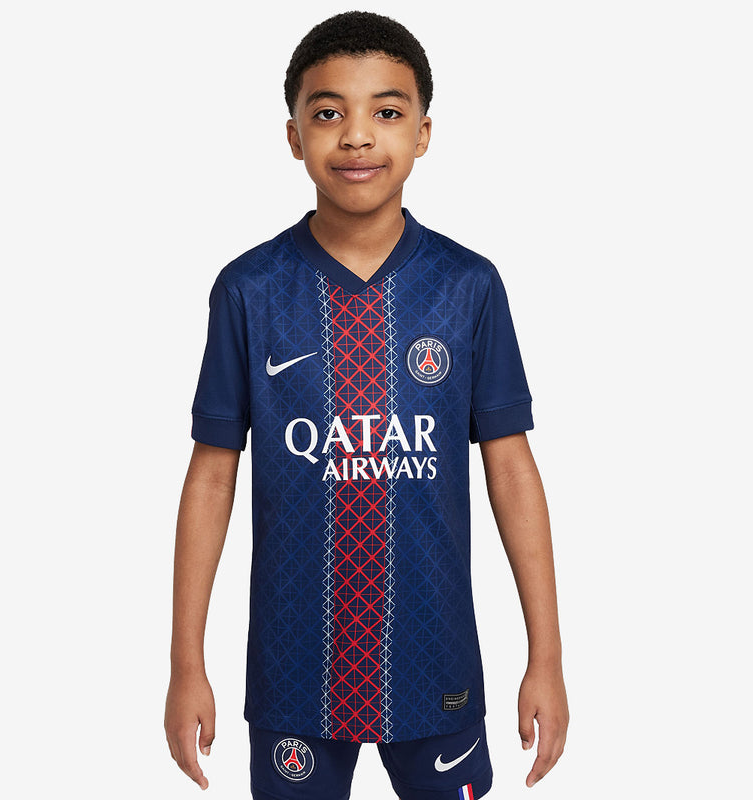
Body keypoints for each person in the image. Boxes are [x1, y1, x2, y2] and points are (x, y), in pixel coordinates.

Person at [164, 10, 568, 800]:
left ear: (423, 133)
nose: (356, 136)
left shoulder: (467, 285)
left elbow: (512, 470)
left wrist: (546, 658)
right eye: (328, 113)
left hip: (438, 664)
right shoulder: (249, 290)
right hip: (294, 671)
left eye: (386, 111)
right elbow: (211, 478)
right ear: (293, 137)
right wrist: (186, 666)